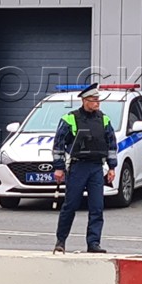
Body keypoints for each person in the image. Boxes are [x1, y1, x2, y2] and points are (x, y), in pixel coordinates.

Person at [51, 85, 117, 255]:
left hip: (96, 167)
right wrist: (58, 168)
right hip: (78, 167)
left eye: (98, 100)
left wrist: (112, 167)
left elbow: (111, 144)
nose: (97, 103)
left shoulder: (104, 119)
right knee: (70, 206)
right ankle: (61, 241)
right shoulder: (70, 119)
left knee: (97, 207)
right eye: (94, 101)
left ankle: (93, 243)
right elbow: (58, 145)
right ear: (84, 101)